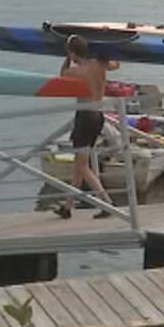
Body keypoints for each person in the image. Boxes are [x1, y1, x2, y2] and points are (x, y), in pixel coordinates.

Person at [53, 35, 117, 220]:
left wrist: (67, 57)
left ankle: (106, 203)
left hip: (85, 117)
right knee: (79, 165)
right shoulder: (100, 65)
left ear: (72, 53)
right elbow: (116, 64)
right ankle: (68, 207)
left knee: (83, 166)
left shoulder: (77, 71)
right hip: (98, 116)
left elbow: (62, 73)